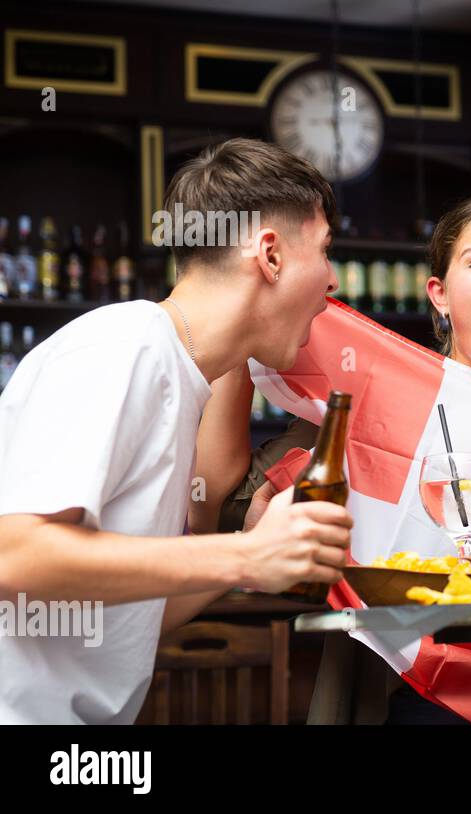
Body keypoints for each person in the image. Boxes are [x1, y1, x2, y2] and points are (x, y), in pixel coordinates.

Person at [0, 138, 353, 724]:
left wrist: (257, 548)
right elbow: (14, 557)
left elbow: (135, 613)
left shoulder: (181, 374)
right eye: (323, 250)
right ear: (270, 256)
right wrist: (243, 555)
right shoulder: (124, 346)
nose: (332, 282)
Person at [195, 195, 471, 724]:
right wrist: (236, 336)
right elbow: (226, 500)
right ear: (440, 296)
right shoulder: (364, 411)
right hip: (396, 698)